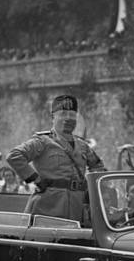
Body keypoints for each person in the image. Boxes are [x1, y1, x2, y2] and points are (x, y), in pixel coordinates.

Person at [7, 94, 105, 222]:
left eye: (72, 115)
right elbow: (14, 156)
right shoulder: (43, 141)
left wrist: (89, 188)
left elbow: (97, 166)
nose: (68, 119)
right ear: (53, 117)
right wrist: (35, 179)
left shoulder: (82, 146)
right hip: (47, 209)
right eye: (63, 114)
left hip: (76, 208)